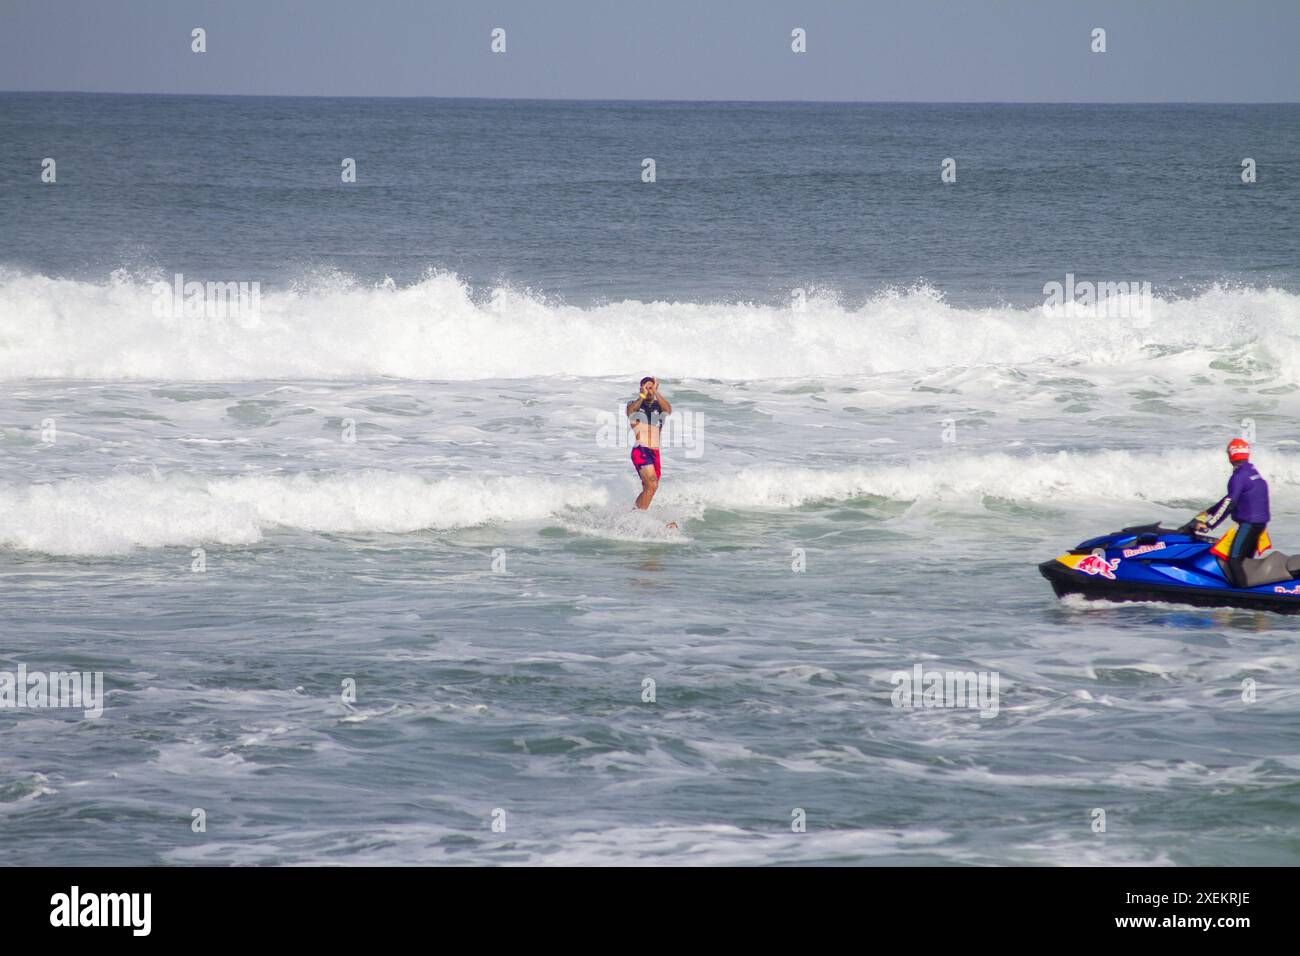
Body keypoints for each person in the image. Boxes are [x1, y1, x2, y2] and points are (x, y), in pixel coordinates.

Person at [1194, 437, 1270, 587]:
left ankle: (1243, 596)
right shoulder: (1251, 471)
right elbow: (1230, 498)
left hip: (1249, 524)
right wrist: (1209, 511)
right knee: (1244, 560)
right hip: (1260, 524)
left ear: (1230, 456)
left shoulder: (1238, 477)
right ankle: (1247, 588)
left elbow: (1229, 504)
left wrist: (1208, 525)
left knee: (1233, 559)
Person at [626, 376, 672, 510]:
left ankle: (636, 513)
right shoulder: (634, 405)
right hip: (641, 449)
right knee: (652, 485)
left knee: (650, 488)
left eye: (651, 387)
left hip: (655, 452)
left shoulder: (660, 406)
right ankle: (636, 517)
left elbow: (668, 409)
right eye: (646, 387)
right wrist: (642, 395)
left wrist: (656, 392)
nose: (649, 390)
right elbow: (630, 411)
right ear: (641, 388)